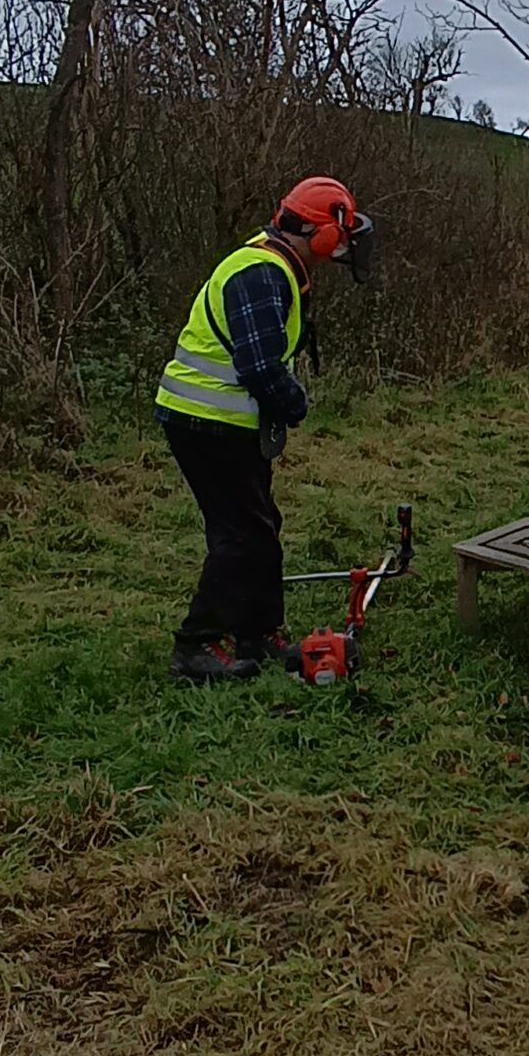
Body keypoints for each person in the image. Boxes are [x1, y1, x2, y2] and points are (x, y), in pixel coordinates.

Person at [154, 176, 374, 683]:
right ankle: (196, 646)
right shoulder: (261, 273)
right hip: (205, 421)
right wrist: (294, 403)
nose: (341, 249)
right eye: (337, 237)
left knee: (259, 527)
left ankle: (260, 632)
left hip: (224, 421)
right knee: (239, 535)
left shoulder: (271, 265)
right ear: (319, 235)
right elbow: (258, 366)